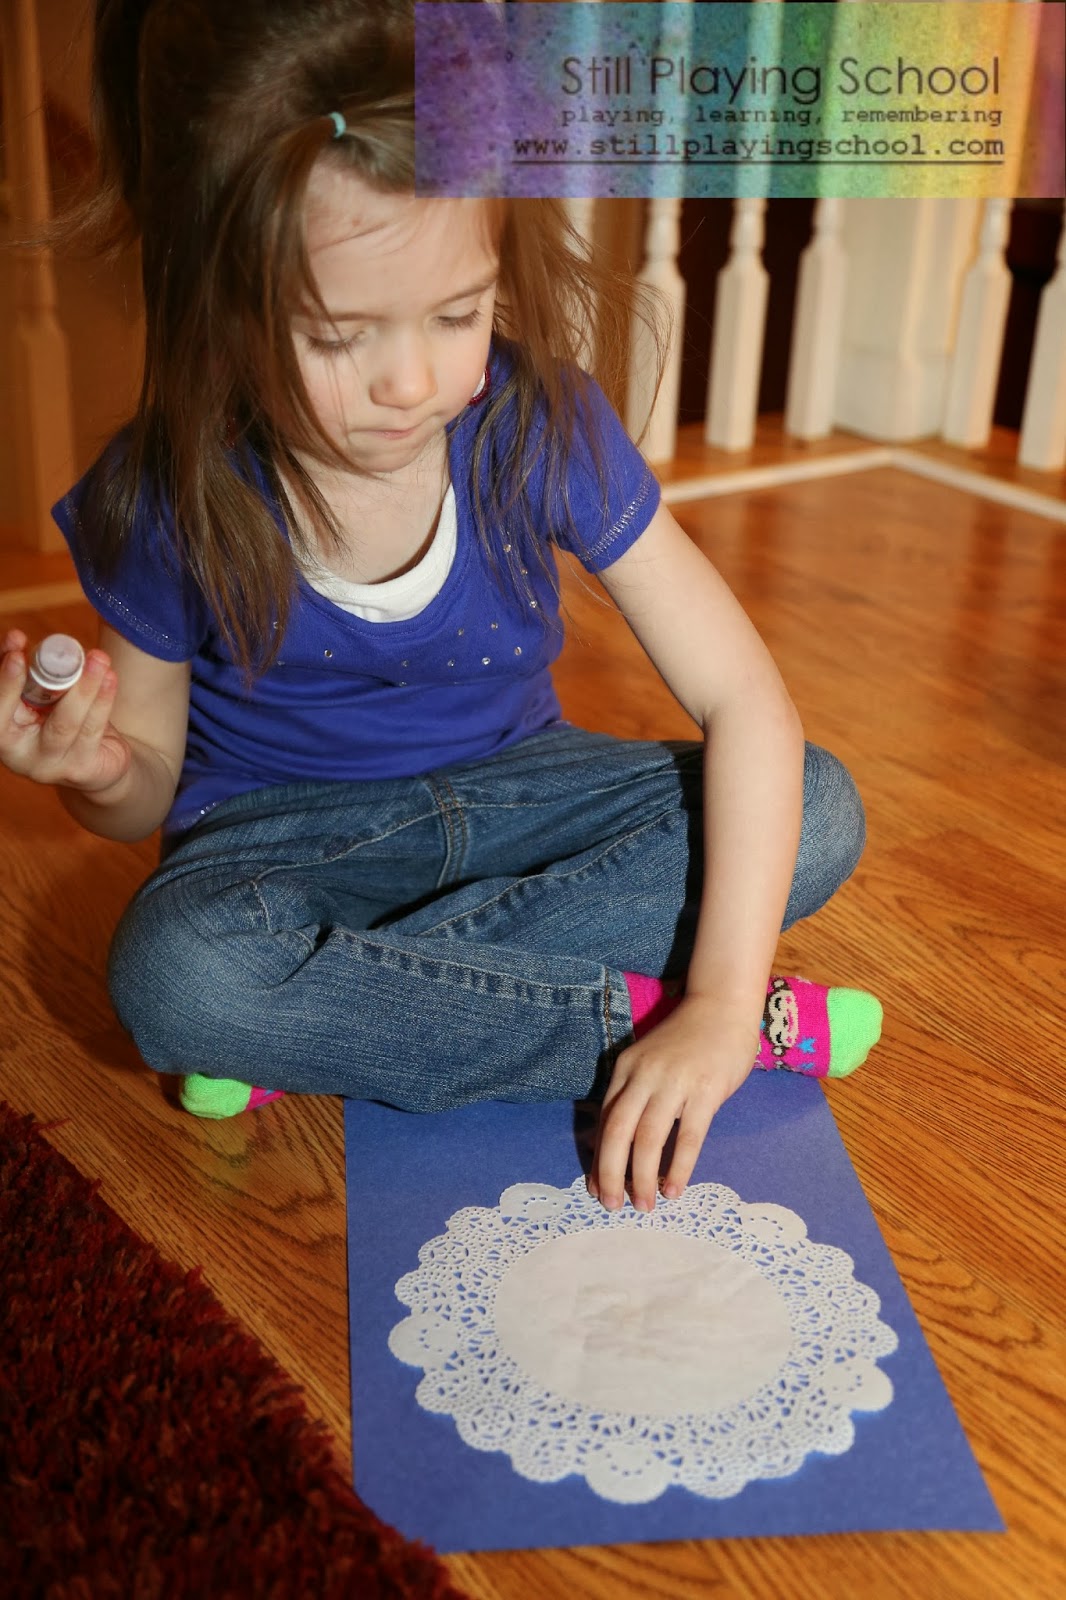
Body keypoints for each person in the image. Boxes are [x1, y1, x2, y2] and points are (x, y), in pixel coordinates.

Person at [0, 0, 880, 1214]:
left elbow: (745, 700)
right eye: (337, 333)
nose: (410, 382)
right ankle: (621, 1013)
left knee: (820, 807)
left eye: (457, 315)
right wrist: (95, 765)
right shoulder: (165, 491)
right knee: (178, 975)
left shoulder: (537, 425)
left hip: (524, 795)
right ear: (223, 305)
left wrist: (724, 1000)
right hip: (286, 842)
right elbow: (145, 779)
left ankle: (339, 1015)